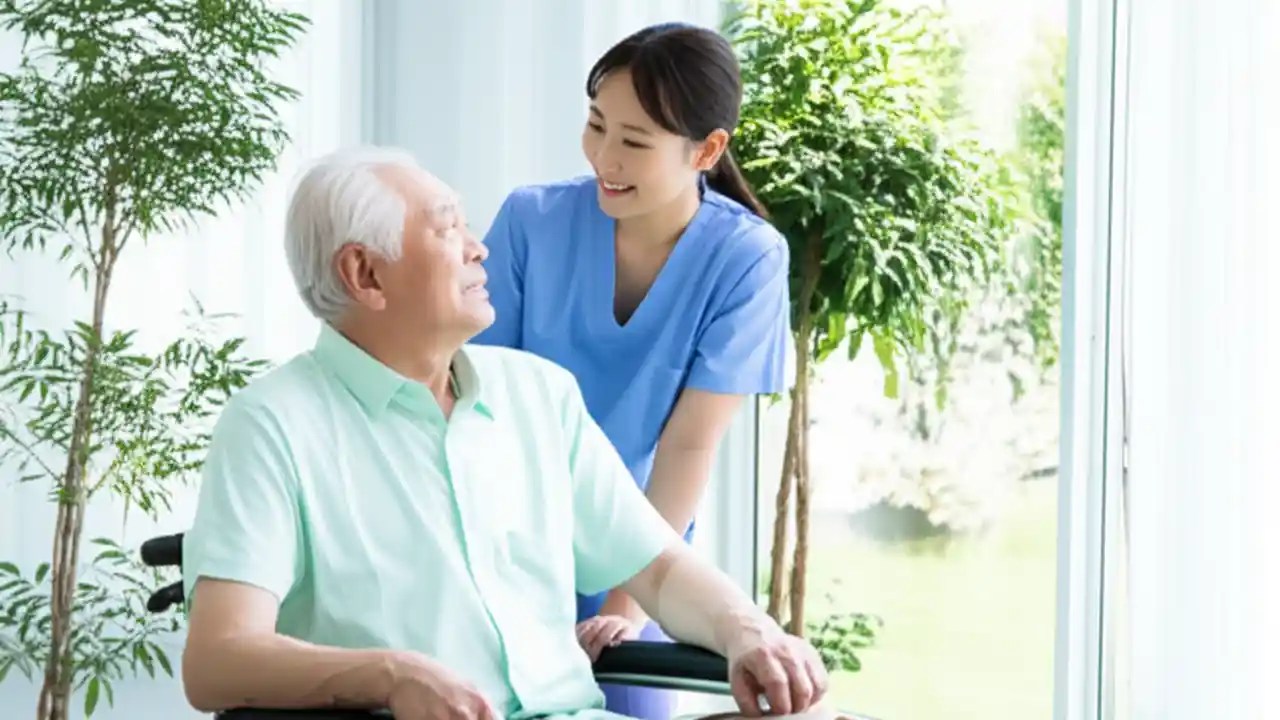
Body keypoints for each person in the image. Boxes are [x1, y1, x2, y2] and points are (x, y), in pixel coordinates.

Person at [178, 147, 828, 720]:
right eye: (445, 229)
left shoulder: (537, 394)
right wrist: (391, 674)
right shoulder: (271, 425)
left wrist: (750, 632)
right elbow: (218, 661)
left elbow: (657, 570)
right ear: (365, 275)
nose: (477, 246)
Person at [469, 23, 791, 720]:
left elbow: (690, 444)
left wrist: (624, 603)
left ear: (707, 150)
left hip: (645, 545)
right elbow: (475, 393)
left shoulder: (748, 259)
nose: (604, 158)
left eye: (635, 142)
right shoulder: (532, 222)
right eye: (596, 126)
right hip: (503, 538)